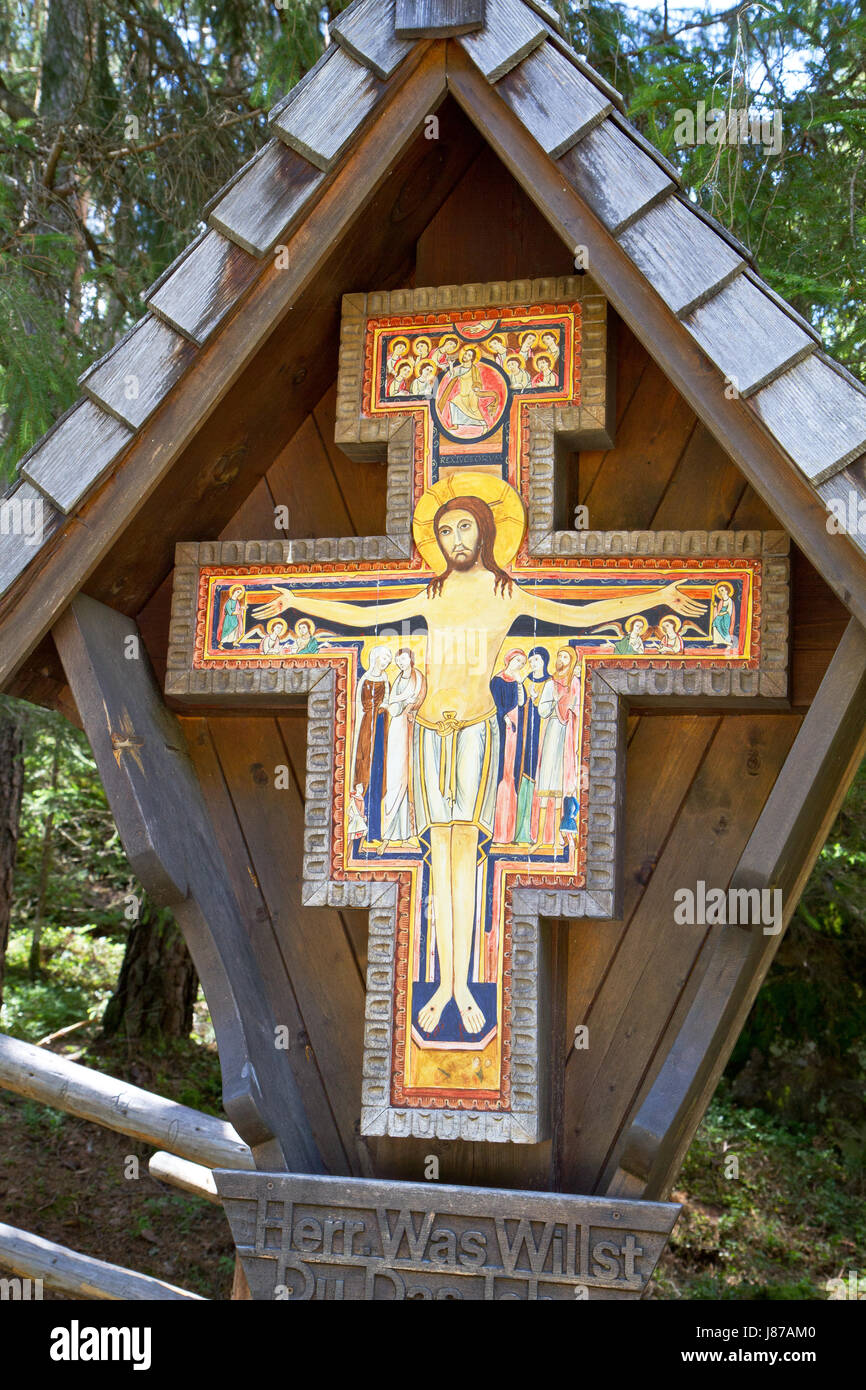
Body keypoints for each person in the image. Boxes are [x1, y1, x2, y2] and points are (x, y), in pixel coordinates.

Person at [253, 488, 706, 1037]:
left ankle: (459, 985)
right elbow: (361, 614)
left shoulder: (507, 594)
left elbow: (581, 614)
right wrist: (299, 602)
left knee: (463, 857)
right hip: (425, 735)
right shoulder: (430, 595)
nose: (455, 540)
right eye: (445, 532)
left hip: (474, 734)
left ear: (486, 532)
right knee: (436, 856)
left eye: (464, 528)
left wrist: (653, 597)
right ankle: (444, 984)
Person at [531, 647, 579, 850]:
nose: (561, 659)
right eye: (559, 655)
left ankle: (557, 838)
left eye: (565, 656)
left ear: (572, 661)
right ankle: (541, 837)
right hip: (552, 730)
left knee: (560, 783)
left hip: (566, 732)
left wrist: (569, 708)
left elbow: (577, 709)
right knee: (546, 781)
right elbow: (542, 710)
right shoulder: (551, 684)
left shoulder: (574, 684)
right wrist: (554, 702)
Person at [381, 648, 426, 847]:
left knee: (412, 775)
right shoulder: (397, 681)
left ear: (411, 658)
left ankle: (410, 832)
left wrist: (406, 702)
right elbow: (393, 706)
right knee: (396, 776)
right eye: (398, 660)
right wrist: (400, 699)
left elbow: (420, 701)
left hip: (415, 729)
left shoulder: (419, 679)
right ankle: (392, 830)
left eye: (404, 658)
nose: (400, 662)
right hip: (398, 728)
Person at [351, 644, 392, 845]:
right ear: (375, 658)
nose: (384, 663)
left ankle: (374, 832)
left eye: (387, 661)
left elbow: (389, 702)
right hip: (366, 727)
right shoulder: (365, 680)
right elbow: (359, 706)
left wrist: (383, 707)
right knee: (363, 771)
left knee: (376, 774)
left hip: (380, 726)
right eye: (383, 659)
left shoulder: (386, 680)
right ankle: (360, 829)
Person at [515, 647, 554, 845]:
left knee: (538, 778)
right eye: (531, 661)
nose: (533, 664)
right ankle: (520, 831)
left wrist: (535, 697)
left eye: (536, 660)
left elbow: (546, 711)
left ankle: (539, 834)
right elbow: (520, 704)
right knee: (523, 777)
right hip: (524, 735)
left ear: (544, 661)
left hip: (542, 736)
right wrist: (524, 690)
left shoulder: (550, 682)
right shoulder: (525, 680)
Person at [490, 649, 527, 843]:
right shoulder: (497, 680)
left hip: (515, 730)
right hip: (504, 728)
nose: (519, 665)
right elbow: (494, 705)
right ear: (509, 660)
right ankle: (497, 831)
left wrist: (520, 683)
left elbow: (521, 703)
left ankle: (509, 831)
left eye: (522, 663)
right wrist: (504, 717)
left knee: (512, 773)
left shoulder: (518, 682)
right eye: (517, 660)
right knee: (501, 772)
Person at [437, 347, 499, 435]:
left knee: (474, 410)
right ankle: (456, 424)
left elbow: (478, 380)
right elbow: (452, 375)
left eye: (469, 355)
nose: (466, 356)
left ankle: (485, 426)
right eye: (466, 354)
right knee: (453, 403)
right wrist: (451, 364)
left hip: (472, 394)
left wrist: (477, 387)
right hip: (463, 393)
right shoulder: (461, 368)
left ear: (472, 358)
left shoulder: (474, 369)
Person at [712, 583, 736, 648]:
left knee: (725, 630)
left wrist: (721, 614)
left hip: (726, 617)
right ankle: (716, 642)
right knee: (715, 625)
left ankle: (729, 643)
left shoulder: (729, 600)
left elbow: (729, 611)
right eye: (719, 591)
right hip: (720, 617)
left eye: (722, 590)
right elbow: (718, 611)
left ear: (727, 591)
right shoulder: (721, 601)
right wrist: (715, 606)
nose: (720, 592)